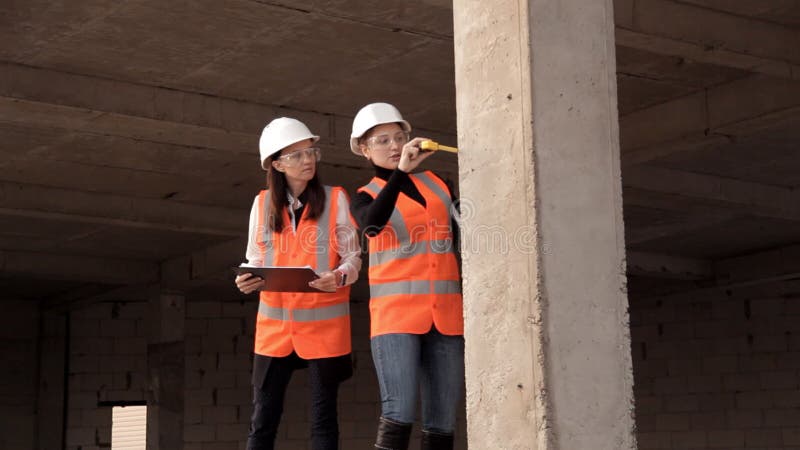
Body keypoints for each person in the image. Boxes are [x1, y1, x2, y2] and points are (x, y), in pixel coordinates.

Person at [235, 117, 361, 450]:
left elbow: (354, 259)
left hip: (324, 328)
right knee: (262, 421)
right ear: (276, 164)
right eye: (296, 155)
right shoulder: (262, 204)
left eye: (310, 152)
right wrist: (246, 278)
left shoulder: (336, 199)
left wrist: (338, 277)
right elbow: (255, 258)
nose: (307, 161)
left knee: (323, 422)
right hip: (275, 330)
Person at [349, 103, 464, 450]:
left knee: (442, 424)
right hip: (396, 319)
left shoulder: (439, 183)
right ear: (365, 150)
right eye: (382, 140)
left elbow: (462, 235)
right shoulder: (364, 196)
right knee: (398, 415)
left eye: (399, 137)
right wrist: (400, 173)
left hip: (445, 316)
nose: (394, 145)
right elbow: (372, 224)